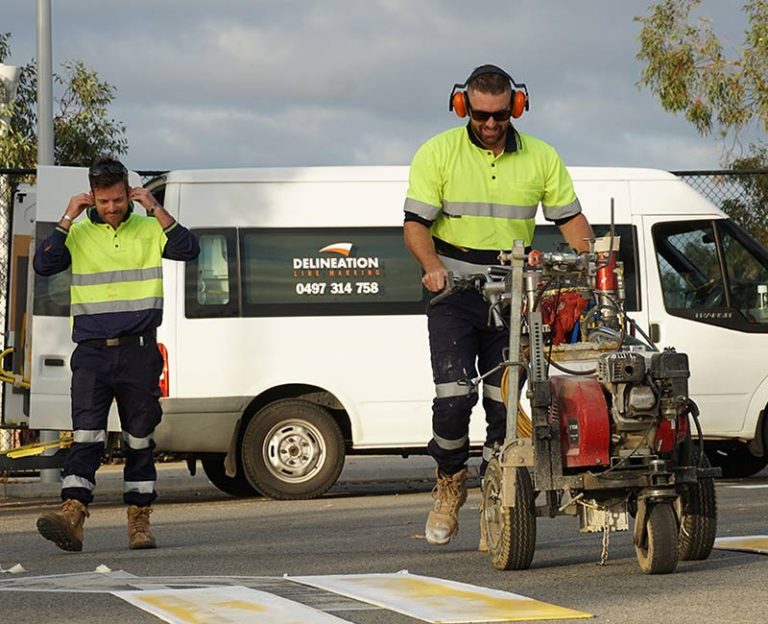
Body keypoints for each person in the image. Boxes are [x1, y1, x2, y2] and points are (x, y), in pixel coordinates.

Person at [403, 64, 593, 548]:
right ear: (463, 106)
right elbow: (415, 225)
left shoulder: (542, 157)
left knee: (504, 406)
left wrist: (588, 264)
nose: (490, 125)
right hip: (454, 293)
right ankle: (449, 483)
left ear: (516, 107)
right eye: (482, 116)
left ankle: (496, 495)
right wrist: (431, 266)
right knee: (453, 397)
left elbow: (570, 220)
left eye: (500, 116)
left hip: (515, 292)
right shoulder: (437, 152)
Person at [33, 156, 199, 552]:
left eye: (119, 199)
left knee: (139, 439)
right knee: (87, 436)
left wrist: (155, 207)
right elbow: (43, 264)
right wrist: (67, 216)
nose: (111, 208)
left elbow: (188, 248)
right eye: (104, 201)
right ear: (92, 197)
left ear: (129, 193)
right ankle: (73, 513)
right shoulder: (76, 233)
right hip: (91, 354)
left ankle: (139, 521)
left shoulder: (147, 227)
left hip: (139, 353)